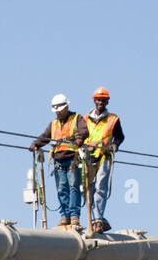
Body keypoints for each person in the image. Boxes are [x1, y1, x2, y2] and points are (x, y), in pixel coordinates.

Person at [30, 95, 88, 229]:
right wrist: (36, 144)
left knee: (73, 187)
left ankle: (74, 215)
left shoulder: (76, 119)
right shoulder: (54, 124)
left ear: (66, 107)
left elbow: (84, 131)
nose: (58, 112)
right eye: (56, 110)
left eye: (60, 110)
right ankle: (65, 215)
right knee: (62, 189)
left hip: (72, 159)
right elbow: (45, 137)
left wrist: (79, 139)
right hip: (59, 161)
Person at [82, 87, 125, 233]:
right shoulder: (86, 118)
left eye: (103, 100)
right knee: (88, 188)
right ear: (95, 100)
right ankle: (97, 218)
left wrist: (115, 145)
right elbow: (81, 135)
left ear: (107, 101)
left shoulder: (113, 119)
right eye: (98, 99)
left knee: (100, 187)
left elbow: (120, 136)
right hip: (88, 156)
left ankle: (98, 220)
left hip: (104, 156)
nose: (100, 102)